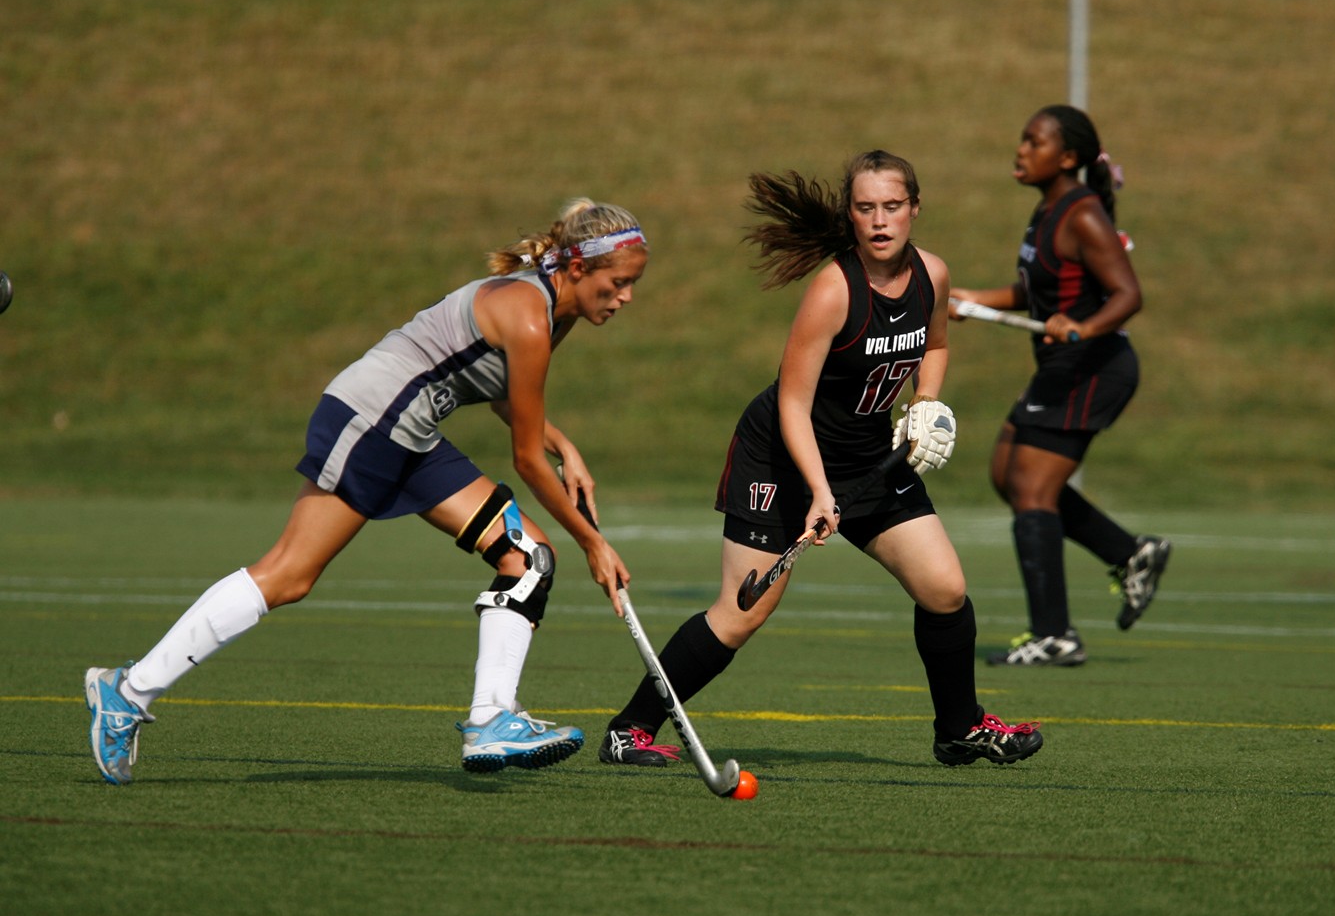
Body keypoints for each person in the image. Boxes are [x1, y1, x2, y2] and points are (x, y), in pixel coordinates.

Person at [84, 200, 649, 784]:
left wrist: (566, 447)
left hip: (410, 427)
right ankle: (128, 691)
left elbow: (508, 396)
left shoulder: (557, 309)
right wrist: (591, 542)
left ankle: (491, 719)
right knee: (287, 575)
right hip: (372, 420)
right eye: (619, 283)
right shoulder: (529, 314)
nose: (626, 297)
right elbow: (526, 460)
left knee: (526, 557)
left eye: (632, 285)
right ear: (579, 269)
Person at [598, 151, 1042, 769]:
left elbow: (934, 344)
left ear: (915, 208)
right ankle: (629, 729)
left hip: (869, 456)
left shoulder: (931, 275)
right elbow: (792, 403)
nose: (880, 221)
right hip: (781, 456)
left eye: (892, 207)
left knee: (944, 588)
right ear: (851, 215)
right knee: (744, 610)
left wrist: (925, 405)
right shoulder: (834, 291)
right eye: (866, 209)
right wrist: (818, 491)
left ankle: (960, 728)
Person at [950, 105, 1171, 668]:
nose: (1021, 149)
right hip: (1062, 369)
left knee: (1031, 490)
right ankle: (1130, 552)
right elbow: (1035, 292)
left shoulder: (1083, 213)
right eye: (1022, 140)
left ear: (1067, 157)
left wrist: (1083, 327)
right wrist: (971, 300)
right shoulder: (1044, 212)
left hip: (1093, 367)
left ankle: (1055, 634)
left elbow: (1127, 293)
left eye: (1034, 141)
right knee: (1008, 473)